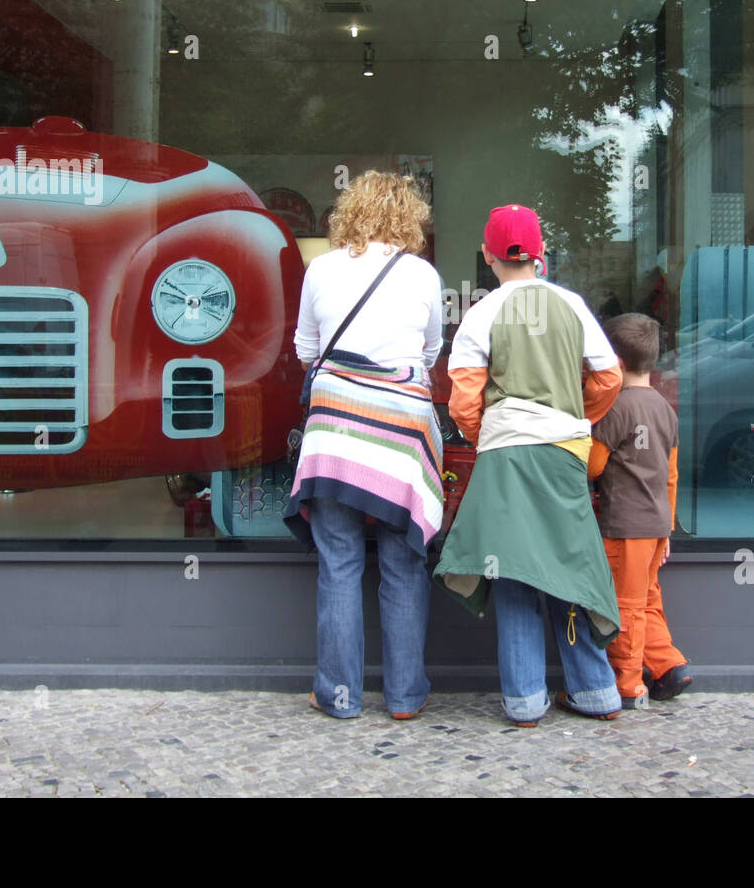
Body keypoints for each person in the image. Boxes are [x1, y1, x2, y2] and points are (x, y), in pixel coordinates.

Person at [433, 204, 625, 726]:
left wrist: (491, 435)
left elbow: (463, 400)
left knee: (512, 569)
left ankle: (523, 701)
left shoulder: (481, 313)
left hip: (506, 456)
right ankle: (598, 692)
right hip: (564, 450)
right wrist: (568, 413)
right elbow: (609, 378)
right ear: (540, 253)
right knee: (567, 567)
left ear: (488, 255)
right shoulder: (572, 306)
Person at [284, 171, 444, 721]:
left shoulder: (322, 268)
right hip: (403, 432)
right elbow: (430, 351)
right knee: (404, 564)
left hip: (335, 430)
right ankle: (403, 697)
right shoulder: (421, 274)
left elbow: (306, 348)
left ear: (347, 210)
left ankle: (339, 695)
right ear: (410, 217)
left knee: (340, 562)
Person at [588, 313, 691, 708]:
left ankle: (627, 685)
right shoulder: (667, 410)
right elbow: (672, 476)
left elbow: (593, 467)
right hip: (654, 526)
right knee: (648, 600)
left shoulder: (616, 410)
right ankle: (669, 666)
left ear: (613, 360)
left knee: (625, 608)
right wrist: (667, 530)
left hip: (625, 527)